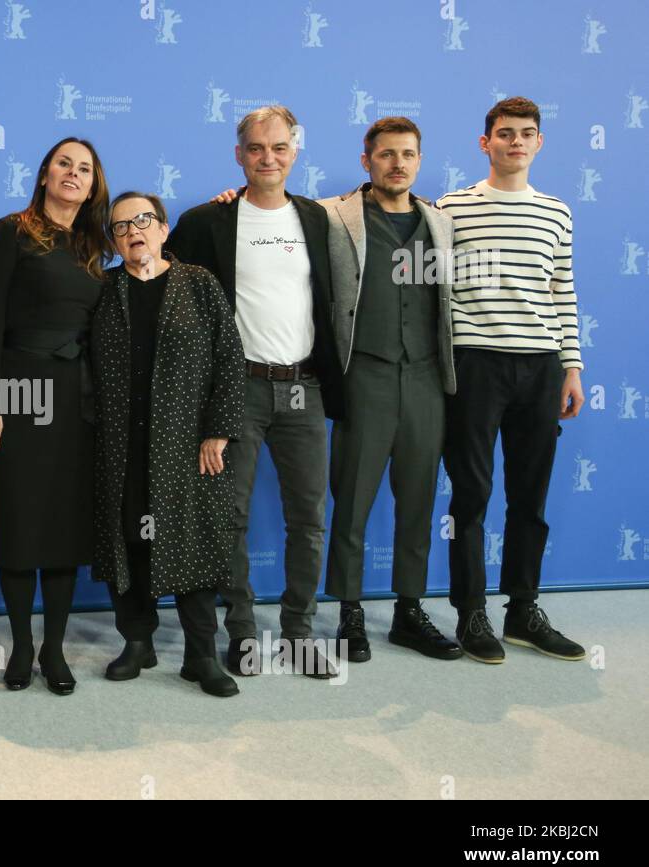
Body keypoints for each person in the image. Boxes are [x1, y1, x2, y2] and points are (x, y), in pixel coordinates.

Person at [166, 106, 343, 679]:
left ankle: (298, 633)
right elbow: (168, 297)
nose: (268, 157)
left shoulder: (319, 219)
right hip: (235, 389)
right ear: (239, 154)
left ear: (295, 152)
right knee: (230, 518)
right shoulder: (206, 221)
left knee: (309, 519)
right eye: (256, 148)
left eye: (280, 147)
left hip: (303, 390)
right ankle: (240, 630)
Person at [436, 97, 587, 664]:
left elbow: (562, 291)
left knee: (531, 498)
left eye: (526, 134)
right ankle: (471, 613)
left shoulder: (556, 212)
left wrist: (572, 366)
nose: (515, 142)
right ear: (485, 143)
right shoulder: (452, 207)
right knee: (471, 495)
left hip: (542, 368)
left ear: (539, 143)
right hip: (475, 365)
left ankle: (523, 610)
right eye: (504, 134)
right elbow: (436, 292)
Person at [317, 117, 462, 662]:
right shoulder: (333, 216)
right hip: (365, 375)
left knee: (419, 502)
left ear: (419, 161)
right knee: (351, 499)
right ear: (366, 160)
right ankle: (349, 612)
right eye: (385, 154)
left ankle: (409, 610)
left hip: (427, 378)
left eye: (407, 154)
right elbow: (272, 209)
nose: (396, 163)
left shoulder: (441, 223)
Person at [91, 192, 246, 696]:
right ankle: (138, 642)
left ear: (162, 230)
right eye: (121, 227)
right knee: (130, 543)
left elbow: (229, 358)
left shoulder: (198, 283)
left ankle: (201, 655)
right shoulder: (104, 289)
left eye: (143, 220)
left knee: (193, 544)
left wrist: (218, 430)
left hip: (187, 446)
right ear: (113, 241)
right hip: (120, 445)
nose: (134, 231)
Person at [0, 137, 111, 695]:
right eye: (64, 164)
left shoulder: (93, 244)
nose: (73, 174)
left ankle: (54, 648)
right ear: (44, 174)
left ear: (93, 182)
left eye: (84, 168)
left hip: (76, 398)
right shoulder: (11, 231)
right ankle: (22, 645)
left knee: (62, 525)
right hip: (19, 388)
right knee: (19, 518)